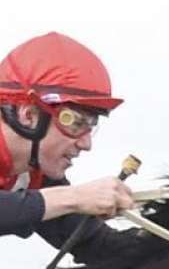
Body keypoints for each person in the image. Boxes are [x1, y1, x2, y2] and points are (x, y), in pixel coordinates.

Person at [1, 32, 135, 248]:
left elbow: (98, 246)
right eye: (75, 123)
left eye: (91, 127)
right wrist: (73, 198)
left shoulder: (35, 173)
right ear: (28, 115)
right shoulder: (51, 188)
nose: (86, 144)